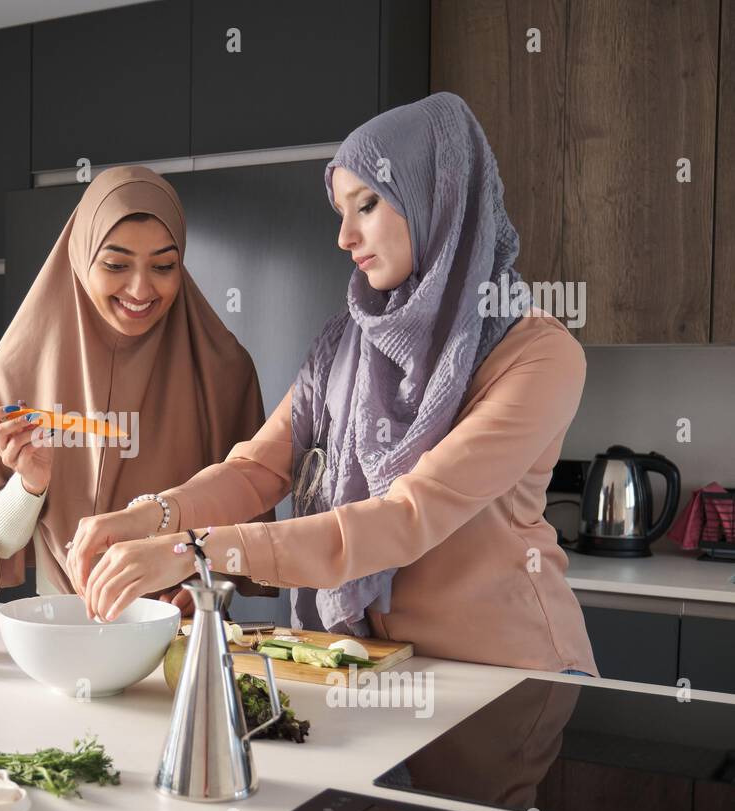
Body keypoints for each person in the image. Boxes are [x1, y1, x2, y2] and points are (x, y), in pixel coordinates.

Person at [68, 93, 598, 676]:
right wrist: (146, 517)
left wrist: (190, 552)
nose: (345, 237)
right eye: (340, 212)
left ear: (437, 197)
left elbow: (408, 514)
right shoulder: (347, 344)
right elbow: (256, 471)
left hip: (510, 681)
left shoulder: (538, 354)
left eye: (366, 204)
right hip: (369, 667)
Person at [0, 165, 275, 612]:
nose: (141, 289)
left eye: (164, 266)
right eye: (116, 265)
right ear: (82, 256)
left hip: (183, 631)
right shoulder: (15, 369)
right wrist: (30, 484)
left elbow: (250, 514)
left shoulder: (224, 370)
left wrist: (205, 574)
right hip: (65, 628)